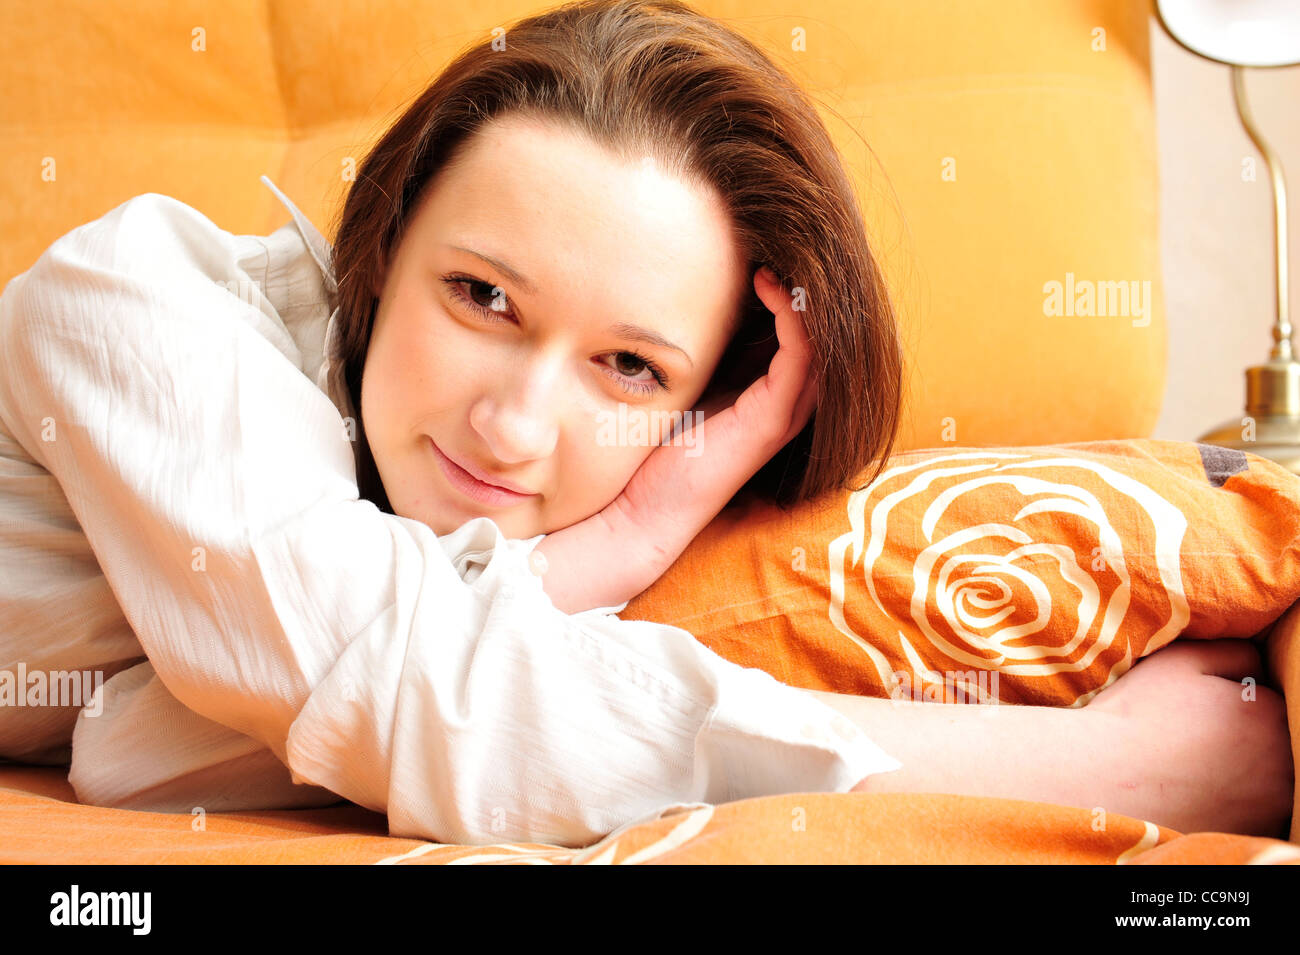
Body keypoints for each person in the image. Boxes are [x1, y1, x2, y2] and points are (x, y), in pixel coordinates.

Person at [0, 0, 1289, 846]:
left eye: (628, 367)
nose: (512, 426)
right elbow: (402, 691)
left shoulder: (371, 547)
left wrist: (643, 524)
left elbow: (142, 755)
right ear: (385, 245)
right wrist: (1118, 772)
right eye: (482, 295)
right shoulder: (135, 303)